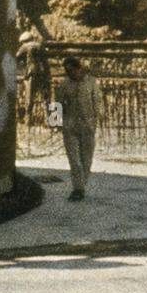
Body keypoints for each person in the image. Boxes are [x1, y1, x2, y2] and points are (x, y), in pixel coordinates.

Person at [55, 56, 99, 202]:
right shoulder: (64, 85)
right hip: (70, 127)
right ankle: (78, 189)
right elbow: (57, 104)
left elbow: (97, 104)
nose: (71, 73)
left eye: (73, 70)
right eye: (68, 71)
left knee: (86, 160)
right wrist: (56, 125)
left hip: (87, 127)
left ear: (79, 68)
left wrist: (95, 123)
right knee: (74, 161)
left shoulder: (92, 83)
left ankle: (81, 186)